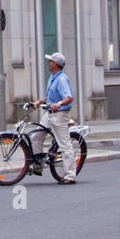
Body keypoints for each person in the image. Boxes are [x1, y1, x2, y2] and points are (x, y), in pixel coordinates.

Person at [33, 52, 76, 184]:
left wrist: (59, 104)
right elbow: (50, 97)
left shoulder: (62, 79)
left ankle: (69, 176)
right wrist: (40, 101)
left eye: (50, 61)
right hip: (49, 113)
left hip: (59, 115)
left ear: (56, 64)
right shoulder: (52, 78)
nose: (48, 63)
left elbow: (68, 97)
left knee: (65, 145)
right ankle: (38, 166)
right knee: (36, 137)